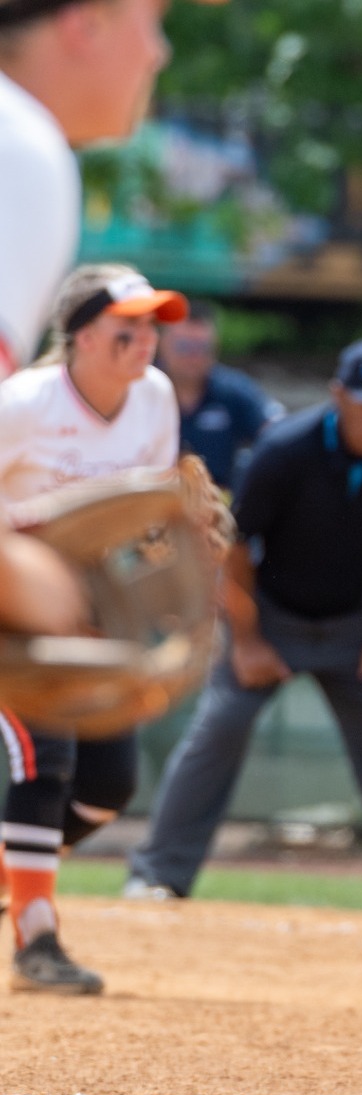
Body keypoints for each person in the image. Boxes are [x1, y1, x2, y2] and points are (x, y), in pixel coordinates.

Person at [124, 340, 362, 918]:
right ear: (338, 397)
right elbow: (235, 548)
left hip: (356, 622)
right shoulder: (285, 449)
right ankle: (157, 875)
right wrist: (248, 640)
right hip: (269, 613)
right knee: (219, 728)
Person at [0, 263, 189, 993]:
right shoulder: (24, 404)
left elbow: (144, 514)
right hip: (13, 608)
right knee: (43, 755)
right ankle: (36, 934)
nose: (145, 340)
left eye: (151, 328)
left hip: (92, 612)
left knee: (108, 784)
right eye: (127, 327)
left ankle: (18, 878)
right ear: (80, 336)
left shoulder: (154, 399)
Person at [0, 0, 214, 639]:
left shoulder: (152, 397)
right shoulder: (19, 146)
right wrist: (21, 575)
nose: (159, 53)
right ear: (85, 25)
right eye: (152, 21)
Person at [158, 300, 284, 489]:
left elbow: (278, 436)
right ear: (162, 344)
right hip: (150, 499)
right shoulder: (141, 389)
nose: (193, 356)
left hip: (218, 500)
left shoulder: (233, 390)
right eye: (183, 346)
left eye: (202, 347)